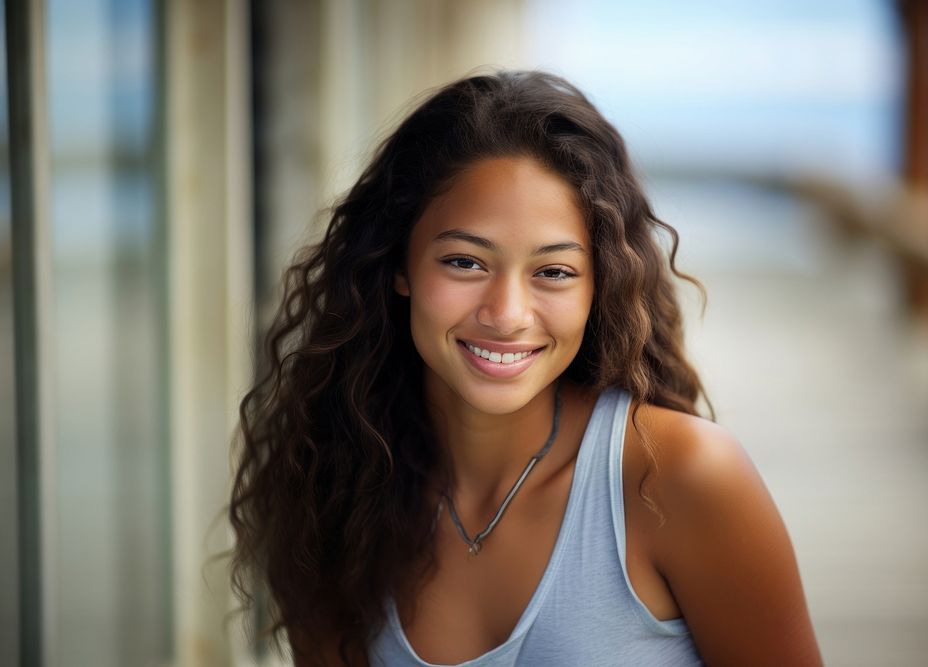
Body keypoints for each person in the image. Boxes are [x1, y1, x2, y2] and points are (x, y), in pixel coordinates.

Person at [229, 70, 823, 667]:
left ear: (602, 287)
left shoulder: (680, 478)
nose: (507, 315)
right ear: (398, 264)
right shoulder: (337, 482)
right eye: (464, 262)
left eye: (554, 271)